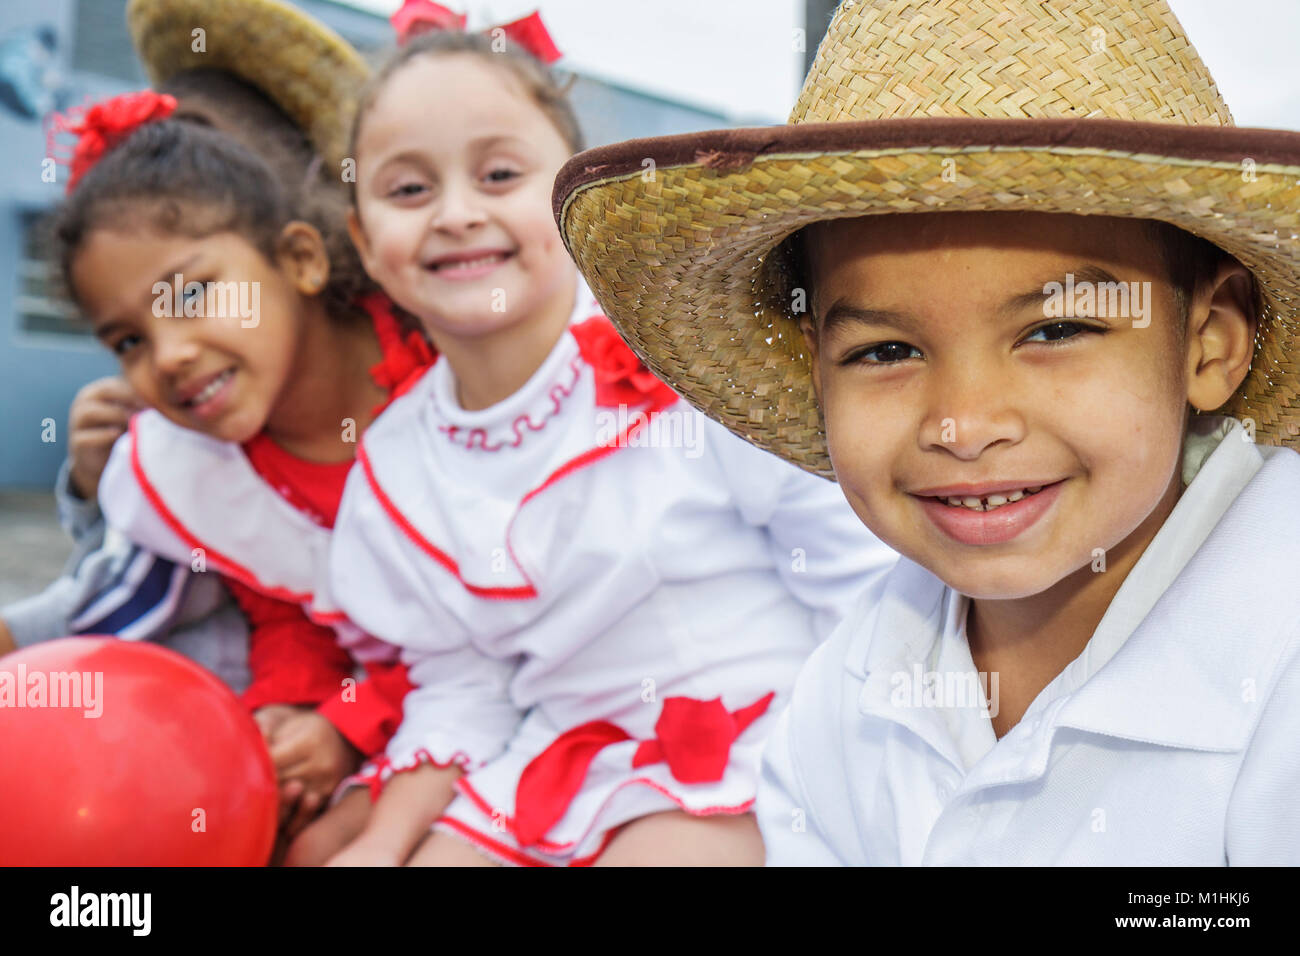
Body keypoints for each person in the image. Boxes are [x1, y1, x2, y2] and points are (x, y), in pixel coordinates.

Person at [553, 0, 1300, 864]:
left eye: (1055, 331)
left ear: (1212, 341)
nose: (964, 424)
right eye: (886, 350)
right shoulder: (843, 698)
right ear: (815, 367)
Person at [322, 4, 897, 867]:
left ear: (569, 196)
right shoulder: (398, 463)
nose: (454, 213)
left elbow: (856, 579)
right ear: (366, 240)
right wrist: (383, 843)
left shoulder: (685, 367)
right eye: (409, 189)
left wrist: (872, 768)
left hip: (750, 739)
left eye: (499, 173)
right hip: (559, 759)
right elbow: (466, 684)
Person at [49, 83, 427, 861]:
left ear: (300, 258)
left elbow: (492, 629)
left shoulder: (447, 377)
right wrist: (289, 716)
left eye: (190, 293)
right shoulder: (220, 473)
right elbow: (291, 615)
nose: (170, 355)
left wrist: (349, 722)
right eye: (127, 341)